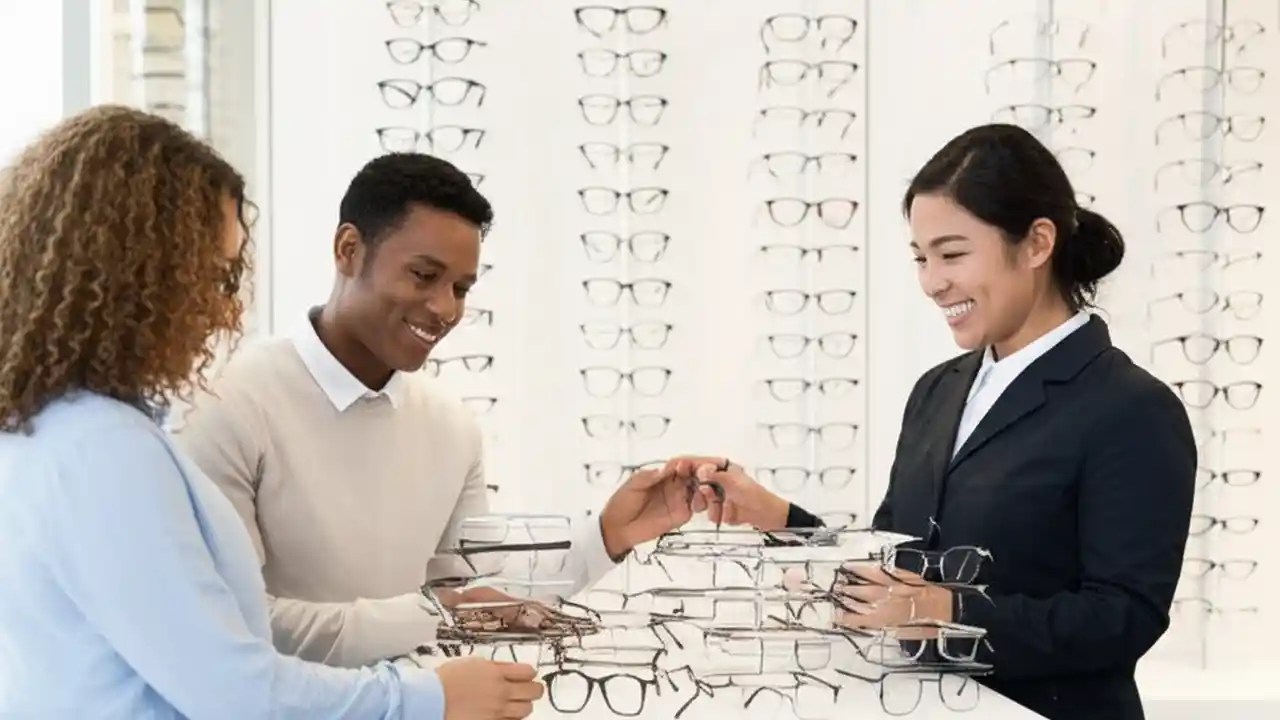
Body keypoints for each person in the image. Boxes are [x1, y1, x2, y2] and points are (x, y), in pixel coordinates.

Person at [0, 105, 543, 719]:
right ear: (138, 272)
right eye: (212, 275)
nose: (220, 308)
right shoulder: (106, 449)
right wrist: (426, 699)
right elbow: (232, 688)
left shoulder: (56, 429)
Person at [673, 123, 1196, 720]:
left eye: (952, 254)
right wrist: (779, 518)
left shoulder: (1131, 408)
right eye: (921, 258)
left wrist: (948, 612)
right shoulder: (938, 391)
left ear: (1036, 244)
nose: (932, 281)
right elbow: (897, 568)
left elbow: (1124, 616)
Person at [172, 151, 706, 668]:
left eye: (461, 288)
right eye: (424, 276)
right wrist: (435, 615)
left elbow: (477, 598)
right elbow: (231, 626)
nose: (446, 308)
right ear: (348, 250)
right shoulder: (230, 404)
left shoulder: (450, 427)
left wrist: (608, 536)